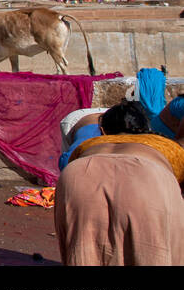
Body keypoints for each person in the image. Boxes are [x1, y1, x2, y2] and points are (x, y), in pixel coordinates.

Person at [56, 100, 184, 265]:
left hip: (78, 173)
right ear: (146, 129)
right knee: (152, 248)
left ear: (102, 131)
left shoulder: (88, 144)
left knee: (85, 246)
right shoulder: (167, 146)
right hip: (147, 174)